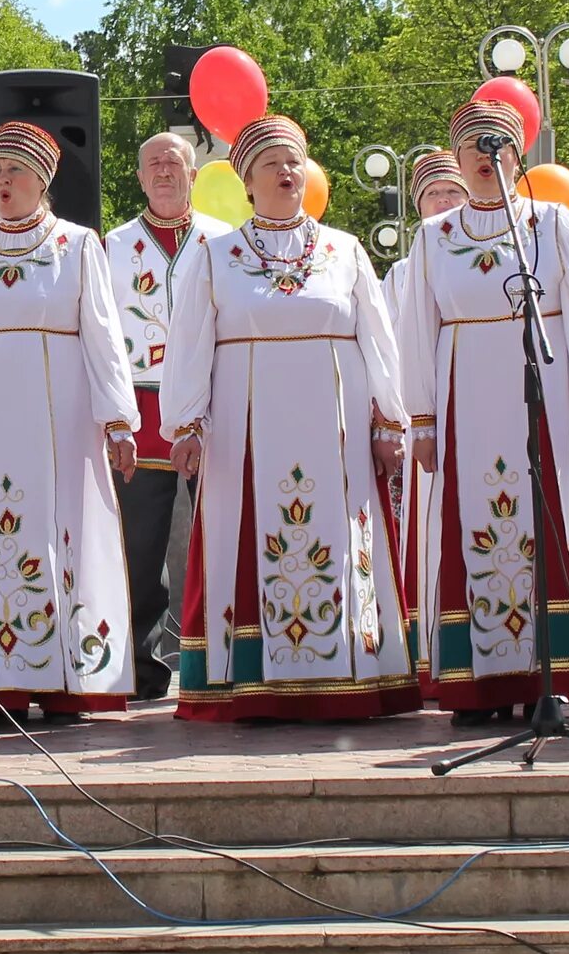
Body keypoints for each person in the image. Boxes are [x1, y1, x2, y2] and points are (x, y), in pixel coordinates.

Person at [160, 115, 420, 722]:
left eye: (293, 161)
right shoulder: (216, 256)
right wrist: (186, 423)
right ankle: (253, 683)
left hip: (336, 427)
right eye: (270, 163)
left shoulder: (344, 250)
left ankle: (348, 673)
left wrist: (390, 419)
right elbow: (190, 343)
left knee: (338, 534)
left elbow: (379, 340)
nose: (285, 171)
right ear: (247, 181)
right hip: (245, 425)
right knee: (248, 531)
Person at [401, 101, 569, 723]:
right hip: (465, 397)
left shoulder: (553, 225)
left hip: (547, 394)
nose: (487, 155)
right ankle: (481, 681)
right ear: (456, 158)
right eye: (473, 145)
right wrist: (422, 417)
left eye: (498, 143)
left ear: (519, 152)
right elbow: (417, 330)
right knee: (473, 520)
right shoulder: (433, 237)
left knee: (552, 513)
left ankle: (552, 672)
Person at [0, 121, 139, 717]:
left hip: (61, 414)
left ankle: (66, 677)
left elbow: (103, 335)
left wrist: (118, 420)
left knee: (61, 527)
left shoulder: (77, 244)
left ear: (43, 179)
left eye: (15, 170)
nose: (2, 181)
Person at [107, 130, 230, 700]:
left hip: (214, 406)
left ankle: (227, 658)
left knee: (223, 534)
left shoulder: (225, 242)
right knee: (139, 547)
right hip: (140, 410)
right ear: (139, 177)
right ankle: (139, 666)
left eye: (174, 162)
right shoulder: (110, 246)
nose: (163, 171)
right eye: (153, 163)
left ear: (193, 173)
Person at [389, 146, 469, 647]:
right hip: (422, 417)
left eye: (452, 192)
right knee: (425, 526)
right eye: (432, 194)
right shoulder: (399, 274)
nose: (442, 202)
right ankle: (429, 644)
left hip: (480, 403)